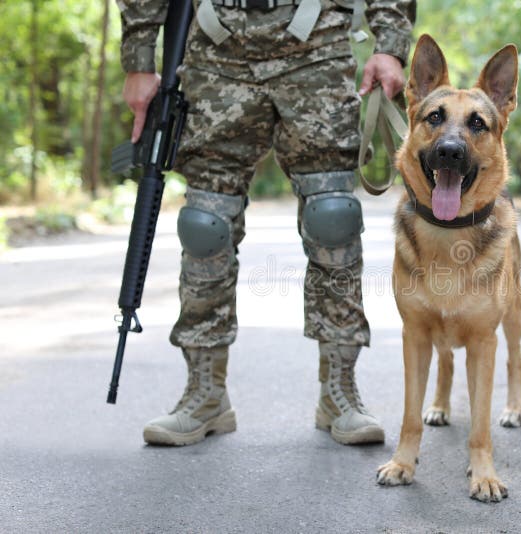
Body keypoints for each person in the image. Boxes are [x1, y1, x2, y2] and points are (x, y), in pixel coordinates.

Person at [117, 0, 415, 446]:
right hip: (218, 49)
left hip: (316, 44)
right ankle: (205, 393)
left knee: (333, 218)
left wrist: (390, 44)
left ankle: (339, 392)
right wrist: (140, 56)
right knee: (205, 225)